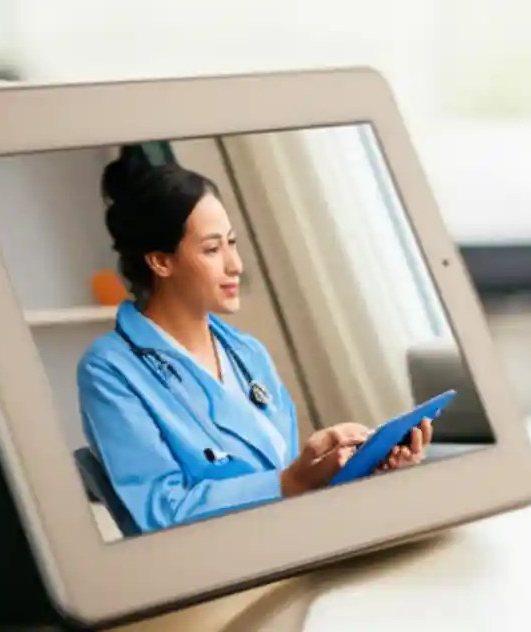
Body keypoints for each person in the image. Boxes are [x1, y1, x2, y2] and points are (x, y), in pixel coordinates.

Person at [77, 148, 433, 534]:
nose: (235, 265)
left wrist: (356, 466)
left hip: (290, 540)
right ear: (161, 261)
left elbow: (281, 484)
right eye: (212, 249)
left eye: (232, 243)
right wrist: (291, 481)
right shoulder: (110, 370)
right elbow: (162, 512)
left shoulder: (247, 353)